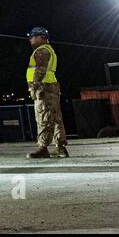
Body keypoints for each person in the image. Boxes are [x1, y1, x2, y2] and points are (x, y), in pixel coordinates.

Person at [26, 26, 69, 159]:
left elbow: (40, 70)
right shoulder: (49, 50)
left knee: (44, 116)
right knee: (56, 117)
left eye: (32, 36)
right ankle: (61, 147)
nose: (30, 39)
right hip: (52, 86)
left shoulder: (42, 50)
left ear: (41, 37)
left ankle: (43, 148)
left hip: (43, 87)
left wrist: (34, 87)